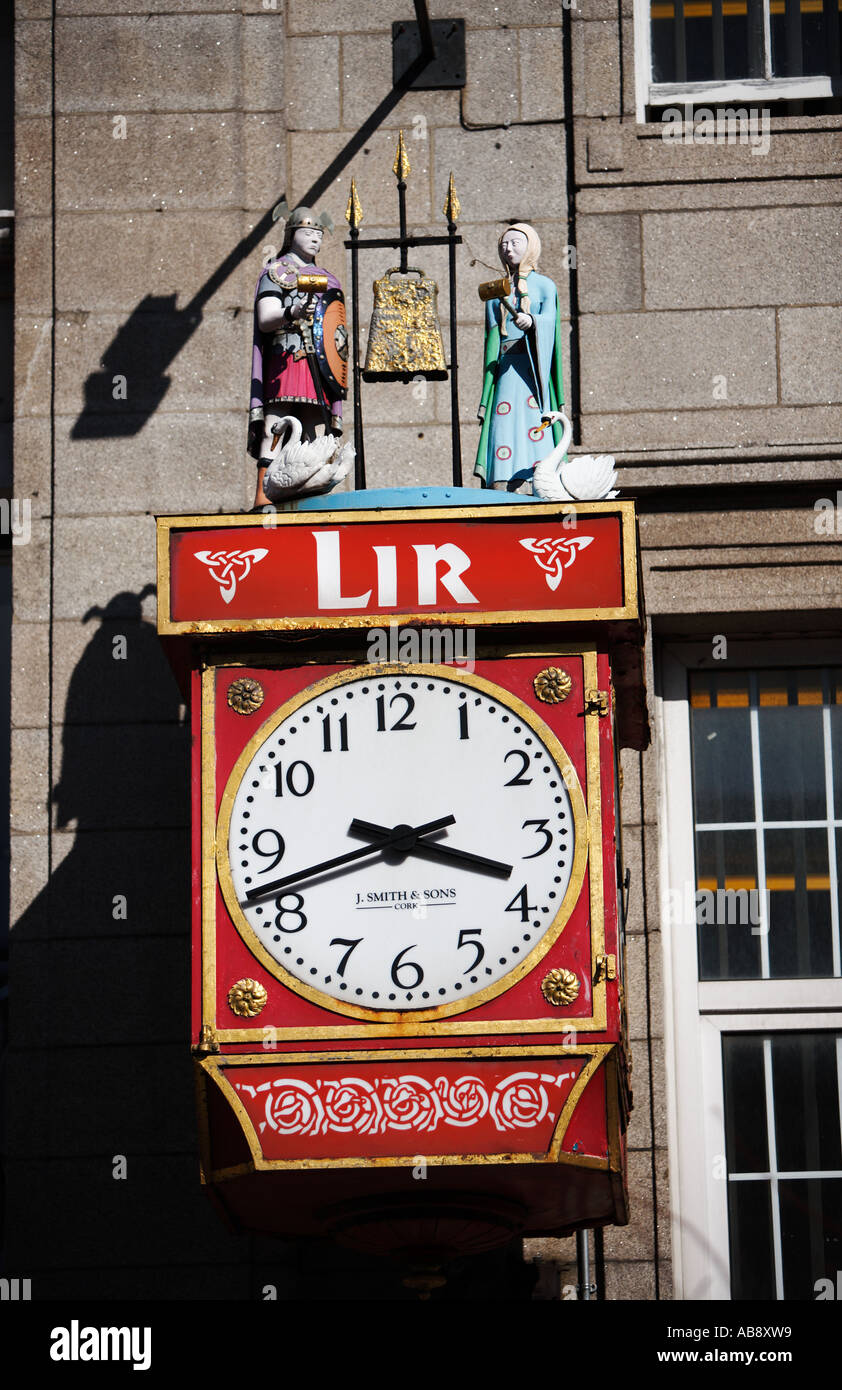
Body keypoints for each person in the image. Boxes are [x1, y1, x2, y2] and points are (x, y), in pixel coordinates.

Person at [248, 205, 345, 508]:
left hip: (318, 364)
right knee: (275, 423)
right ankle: (265, 493)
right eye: (307, 232)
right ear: (291, 235)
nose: (315, 239)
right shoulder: (276, 273)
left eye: (318, 234)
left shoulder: (328, 280)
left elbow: (336, 332)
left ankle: (313, 495)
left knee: (317, 429)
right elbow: (266, 317)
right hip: (286, 358)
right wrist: (291, 311)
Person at [474, 223, 566, 491]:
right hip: (506, 368)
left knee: (534, 416)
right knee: (503, 419)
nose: (508, 248)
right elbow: (491, 337)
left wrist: (534, 321)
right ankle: (502, 476)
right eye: (504, 244)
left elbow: (551, 320)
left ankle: (538, 477)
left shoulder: (545, 286)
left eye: (515, 242)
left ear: (531, 246)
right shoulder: (497, 291)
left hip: (532, 368)